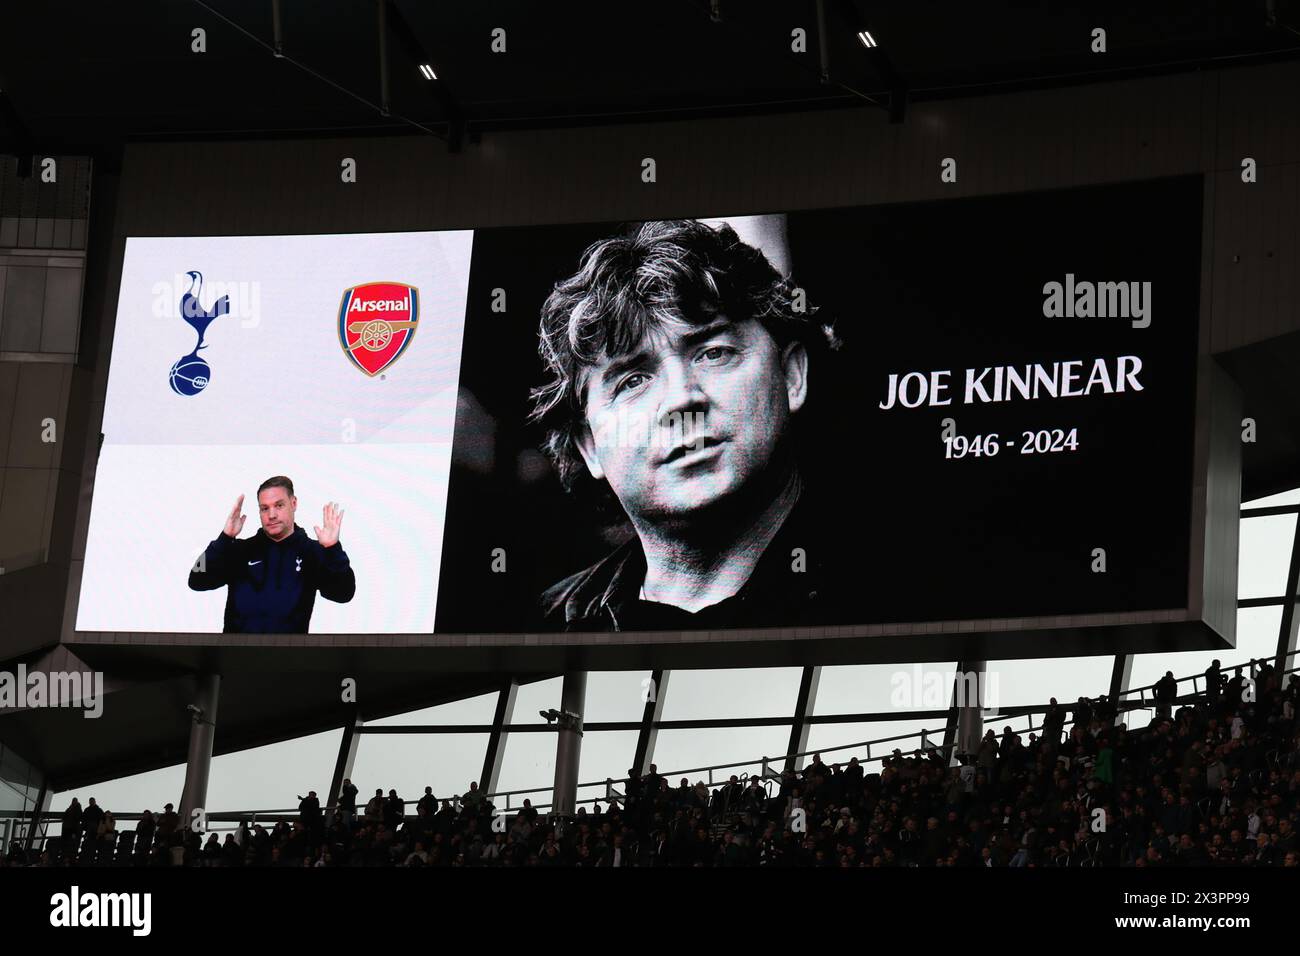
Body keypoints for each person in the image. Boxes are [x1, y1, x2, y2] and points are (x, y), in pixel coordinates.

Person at [531, 218, 840, 631]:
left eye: (713, 353)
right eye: (632, 381)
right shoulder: (540, 628)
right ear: (589, 446)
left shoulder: (907, 586)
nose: (682, 400)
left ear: (791, 376)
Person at [188, 476, 355, 633]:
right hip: (236, 652)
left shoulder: (312, 552)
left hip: (290, 653)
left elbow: (343, 593)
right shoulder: (240, 550)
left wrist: (332, 549)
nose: (272, 515)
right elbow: (196, 579)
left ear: (293, 503)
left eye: (279, 505)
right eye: (265, 508)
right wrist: (224, 538)